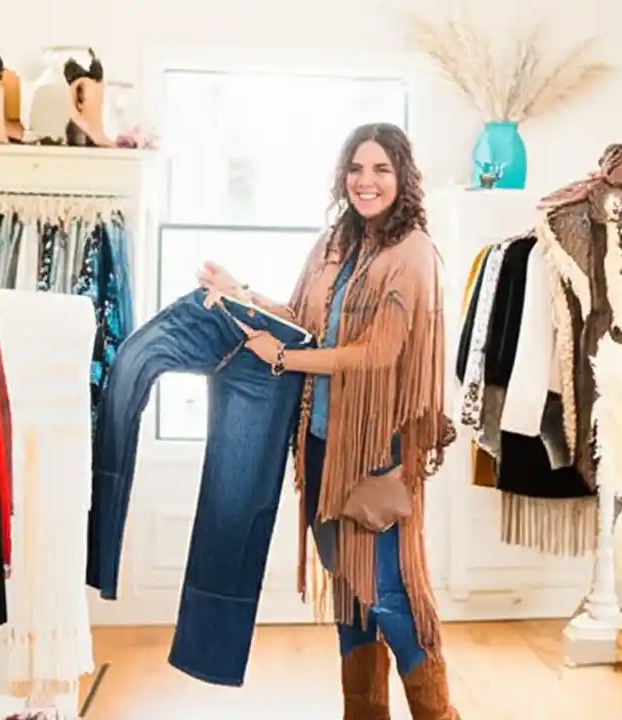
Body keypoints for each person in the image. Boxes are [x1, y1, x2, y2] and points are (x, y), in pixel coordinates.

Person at [197, 122, 459, 719]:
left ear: (402, 177)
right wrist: (241, 293)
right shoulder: (333, 244)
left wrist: (285, 359)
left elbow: (378, 353)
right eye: (356, 169)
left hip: (376, 451)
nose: (366, 182)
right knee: (350, 595)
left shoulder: (411, 252)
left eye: (381, 170)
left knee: (390, 594)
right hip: (318, 447)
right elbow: (298, 316)